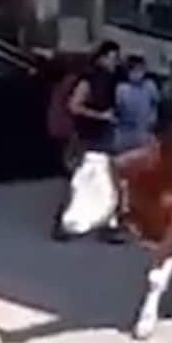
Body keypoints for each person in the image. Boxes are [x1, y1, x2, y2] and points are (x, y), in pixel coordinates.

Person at [62, 40, 127, 243]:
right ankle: (67, 223)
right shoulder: (88, 80)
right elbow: (74, 106)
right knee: (88, 181)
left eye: (117, 58)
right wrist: (100, 116)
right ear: (101, 57)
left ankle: (109, 224)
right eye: (111, 58)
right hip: (89, 137)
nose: (114, 62)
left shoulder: (113, 79)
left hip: (105, 135)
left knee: (108, 182)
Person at [114, 55, 161, 153]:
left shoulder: (150, 86)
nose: (137, 74)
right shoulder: (121, 88)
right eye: (134, 71)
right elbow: (118, 109)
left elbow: (155, 104)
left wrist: (152, 119)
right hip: (125, 132)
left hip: (144, 130)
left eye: (140, 70)